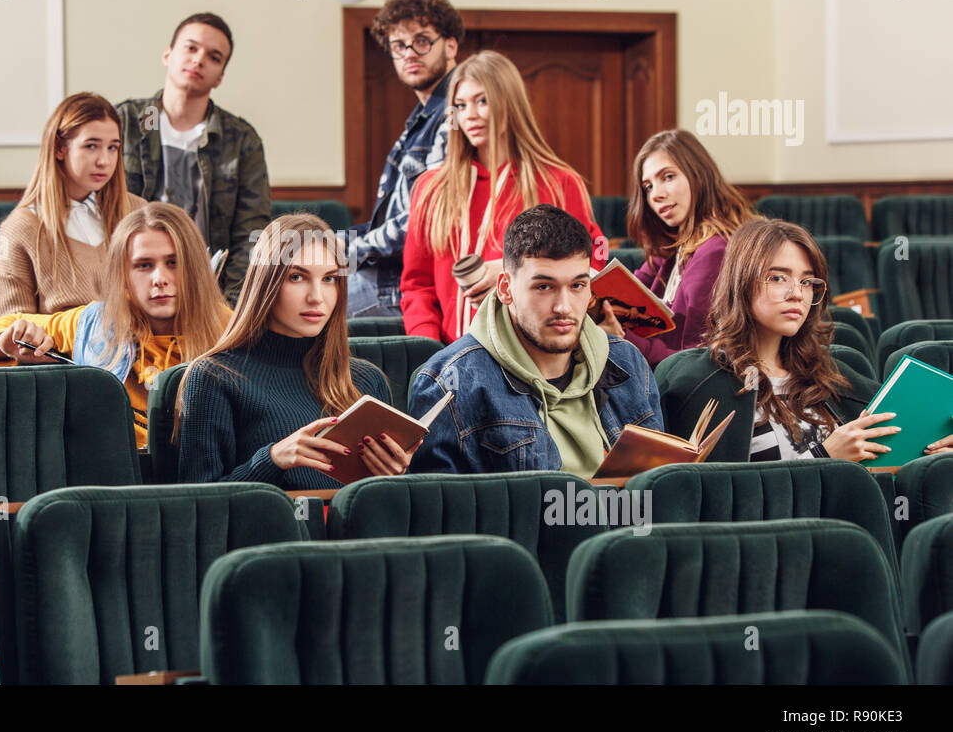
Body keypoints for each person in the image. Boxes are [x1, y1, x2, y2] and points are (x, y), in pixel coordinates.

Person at [654, 219, 953, 462]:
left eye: (807, 281)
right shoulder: (697, 382)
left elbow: (892, 454)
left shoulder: (832, 374)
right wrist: (824, 457)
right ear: (740, 283)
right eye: (778, 278)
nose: (797, 293)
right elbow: (717, 501)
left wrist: (933, 446)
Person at [408, 205, 662, 479]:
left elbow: (656, 492)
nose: (564, 307)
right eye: (544, 287)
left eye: (577, 285)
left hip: (628, 518)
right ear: (506, 289)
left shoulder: (627, 361)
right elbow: (447, 516)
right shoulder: (448, 383)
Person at [175, 213, 413, 489]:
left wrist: (395, 478)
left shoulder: (365, 380)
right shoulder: (212, 378)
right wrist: (272, 460)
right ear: (266, 283)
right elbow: (200, 506)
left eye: (329, 279)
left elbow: (390, 510)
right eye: (297, 277)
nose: (316, 297)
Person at [0, 202, 230, 447]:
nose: (159, 279)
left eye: (173, 263)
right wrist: (8, 339)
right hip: (113, 469)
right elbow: (3, 325)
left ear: (196, 268)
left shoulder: (229, 328)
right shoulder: (99, 322)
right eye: (144, 265)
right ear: (123, 276)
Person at [401, 51, 606, 344]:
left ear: (509, 105)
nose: (469, 114)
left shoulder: (560, 183)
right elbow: (416, 286)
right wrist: (428, 349)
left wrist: (516, 268)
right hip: (450, 355)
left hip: (534, 357)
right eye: (460, 105)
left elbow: (595, 264)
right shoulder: (430, 188)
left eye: (482, 101)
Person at [115, 12, 271, 302]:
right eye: (191, 48)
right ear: (168, 55)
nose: (199, 60)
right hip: (130, 287)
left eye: (214, 57)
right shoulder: (125, 122)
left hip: (207, 293)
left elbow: (252, 236)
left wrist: (228, 306)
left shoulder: (241, 140)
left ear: (221, 75)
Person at [345, 0, 462, 318]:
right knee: (284, 272)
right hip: (384, 274)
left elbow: (424, 222)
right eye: (399, 45)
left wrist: (348, 252)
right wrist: (329, 245)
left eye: (422, 41)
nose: (409, 52)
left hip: (404, 286)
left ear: (450, 45)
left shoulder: (455, 111)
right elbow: (389, 219)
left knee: (285, 308)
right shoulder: (422, 117)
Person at [597, 128, 753, 366]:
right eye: (648, 187)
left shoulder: (715, 251)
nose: (656, 195)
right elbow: (628, 290)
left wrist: (619, 337)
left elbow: (693, 362)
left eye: (668, 177)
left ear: (698, 174)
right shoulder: (675, 246)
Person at [0, 92, 146, 318]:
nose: (104, 160)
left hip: (147, 348)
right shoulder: (21, 228)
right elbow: (10, 327)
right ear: (60, 149)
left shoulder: (138, 213)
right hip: (63, 352)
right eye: (91, 146)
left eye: (113, 147)